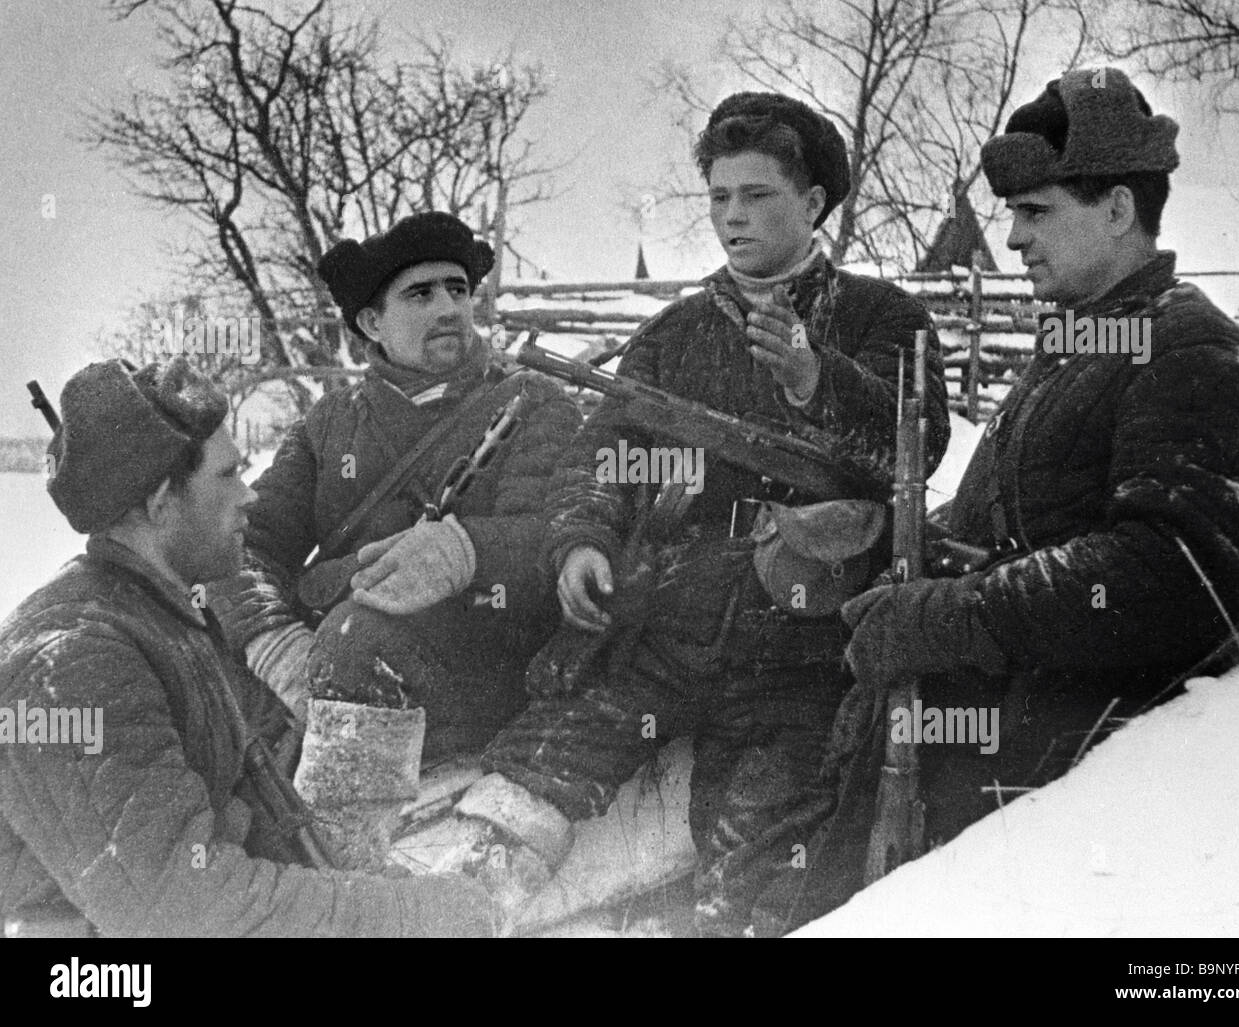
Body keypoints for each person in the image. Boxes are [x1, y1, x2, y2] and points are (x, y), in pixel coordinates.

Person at [438, 92, 951, 937]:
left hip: (806, 644)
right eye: (719, 197)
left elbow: (915, 453)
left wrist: (817, 382)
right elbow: (604, 452)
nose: (732, 217)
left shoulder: (881, 319)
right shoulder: (675, 334)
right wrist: (581, 542)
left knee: (754, 882)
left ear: (815, 202)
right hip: (661, 620)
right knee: (521, 795)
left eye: (757, 196)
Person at [813, 67, 1239, 918]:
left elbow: (1178, 576)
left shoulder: (1188, 351)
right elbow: (1001, 528)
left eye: (1038, 212)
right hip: (978, 731)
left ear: (1117, 210)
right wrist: (890, 550)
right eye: (1013, 214)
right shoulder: (1075, 349)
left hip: (1062, 776)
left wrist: (953, 616)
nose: (1016, 239)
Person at [0, 358, 493, 937]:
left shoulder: (167, 618)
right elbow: (184, 908)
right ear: (160, 501)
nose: (250, 497)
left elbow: (260, 823)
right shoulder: (75, 661)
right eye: (228, 475)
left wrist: (400, 894)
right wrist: (409, 918)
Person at [212, 212, 581, 762]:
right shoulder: (329, 422)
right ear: (372, 324)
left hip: (483, 667)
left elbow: (554, 538)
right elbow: (246, 540)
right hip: (335, 657)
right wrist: (273, 640)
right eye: (420, 295)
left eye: (457, 290)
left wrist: (467, 550)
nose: (448, 309)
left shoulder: (533, 404)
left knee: (355, 639)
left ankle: (343, 841)